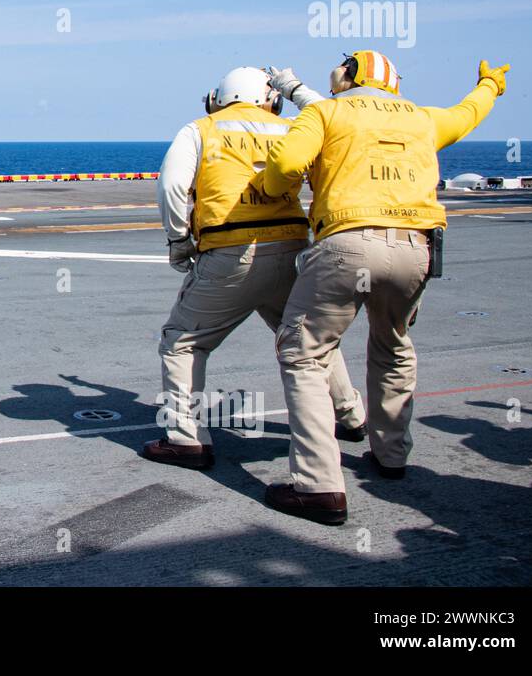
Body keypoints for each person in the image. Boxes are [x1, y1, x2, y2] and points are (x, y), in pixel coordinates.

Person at [261, 51, 510, 525]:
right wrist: (491, 87)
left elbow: (287, 162)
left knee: (304, 353)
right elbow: (467, 114)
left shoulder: (325, 111)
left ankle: (318, 486)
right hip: (416, 248)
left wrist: (275, 185)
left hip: (348, 242)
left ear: (352, 74)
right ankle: (391, 456)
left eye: (340, 63)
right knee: (393, 343)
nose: (332, 69)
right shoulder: (421, 119)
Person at [144, 66, 366, 470]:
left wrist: (179, 242)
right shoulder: (295, 128)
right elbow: (334, 128)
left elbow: (172, 186)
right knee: (313, 342)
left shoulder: (201, 129)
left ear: (217, 98)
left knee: (183, 342)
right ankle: (350, 416)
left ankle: (186, 437)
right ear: (272, 99)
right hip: (293, 251)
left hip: (230, 252)